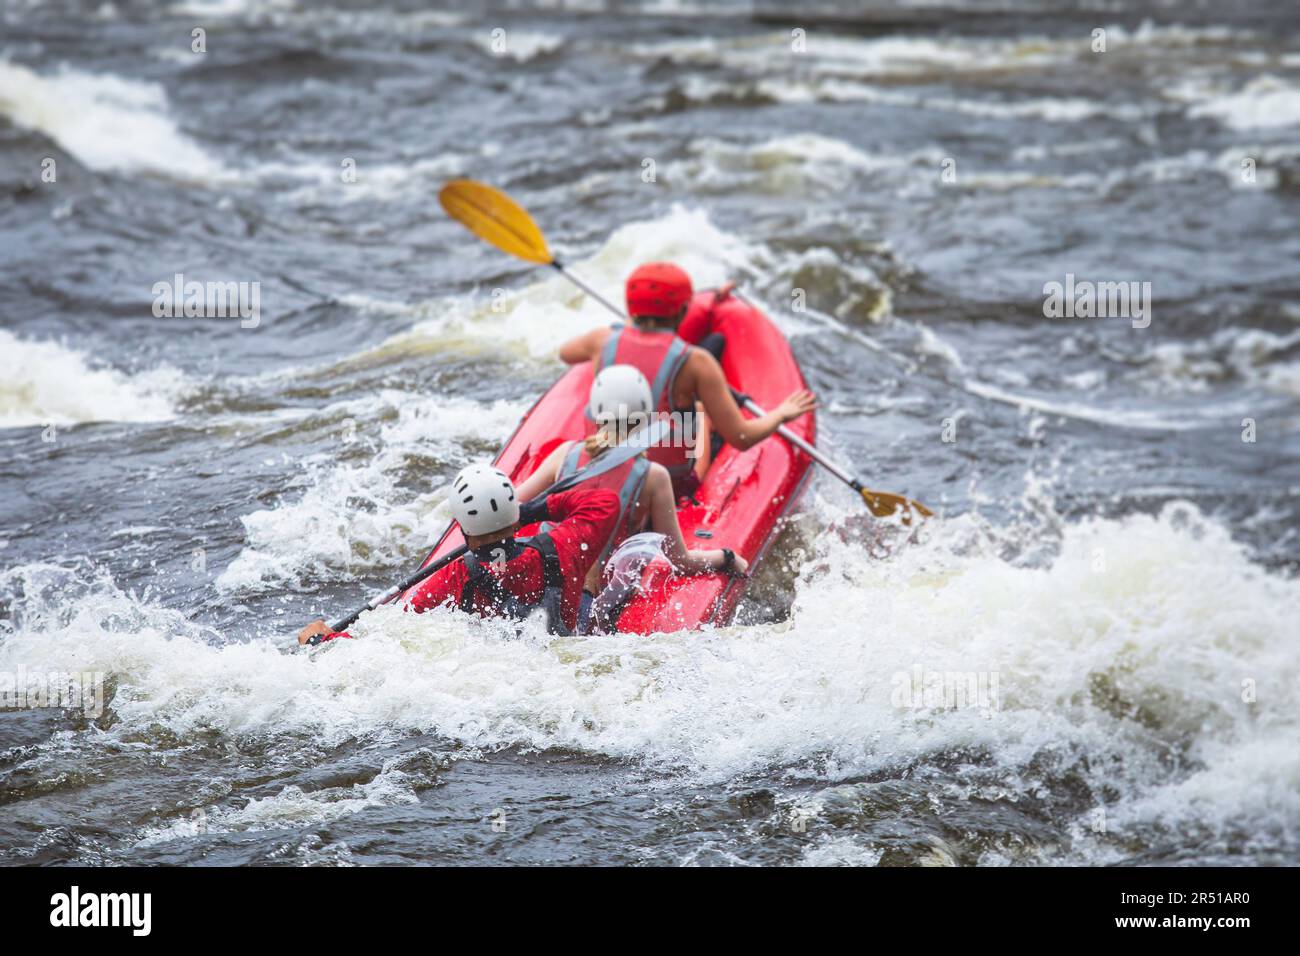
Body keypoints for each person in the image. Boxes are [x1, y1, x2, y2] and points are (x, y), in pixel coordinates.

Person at [514, 364, 748, 632]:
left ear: (596, 415)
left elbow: (511, 508)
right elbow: (681, 561)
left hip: (532, 584)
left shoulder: (566, 454)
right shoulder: (653, 477)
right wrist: (728, 558)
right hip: (581, 604)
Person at [557, 262, 816, 499]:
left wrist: (630, 326)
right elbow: (741, 437)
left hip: (600, 472)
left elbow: (565, 353)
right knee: (701, 412)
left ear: (629, 307)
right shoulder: (697, 363)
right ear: (683, 309)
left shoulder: (600, 340)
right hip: (665, 484)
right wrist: (782, 414)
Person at [297, 463, 619, 645]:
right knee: (589, 583)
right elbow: (605, 502)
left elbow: (391, 636)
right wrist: (527, 511)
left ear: (463, 527)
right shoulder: (562, 547)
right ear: (513, 513)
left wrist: (328, 640)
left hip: (504, 674)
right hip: (564, 654)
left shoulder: (454, 577)